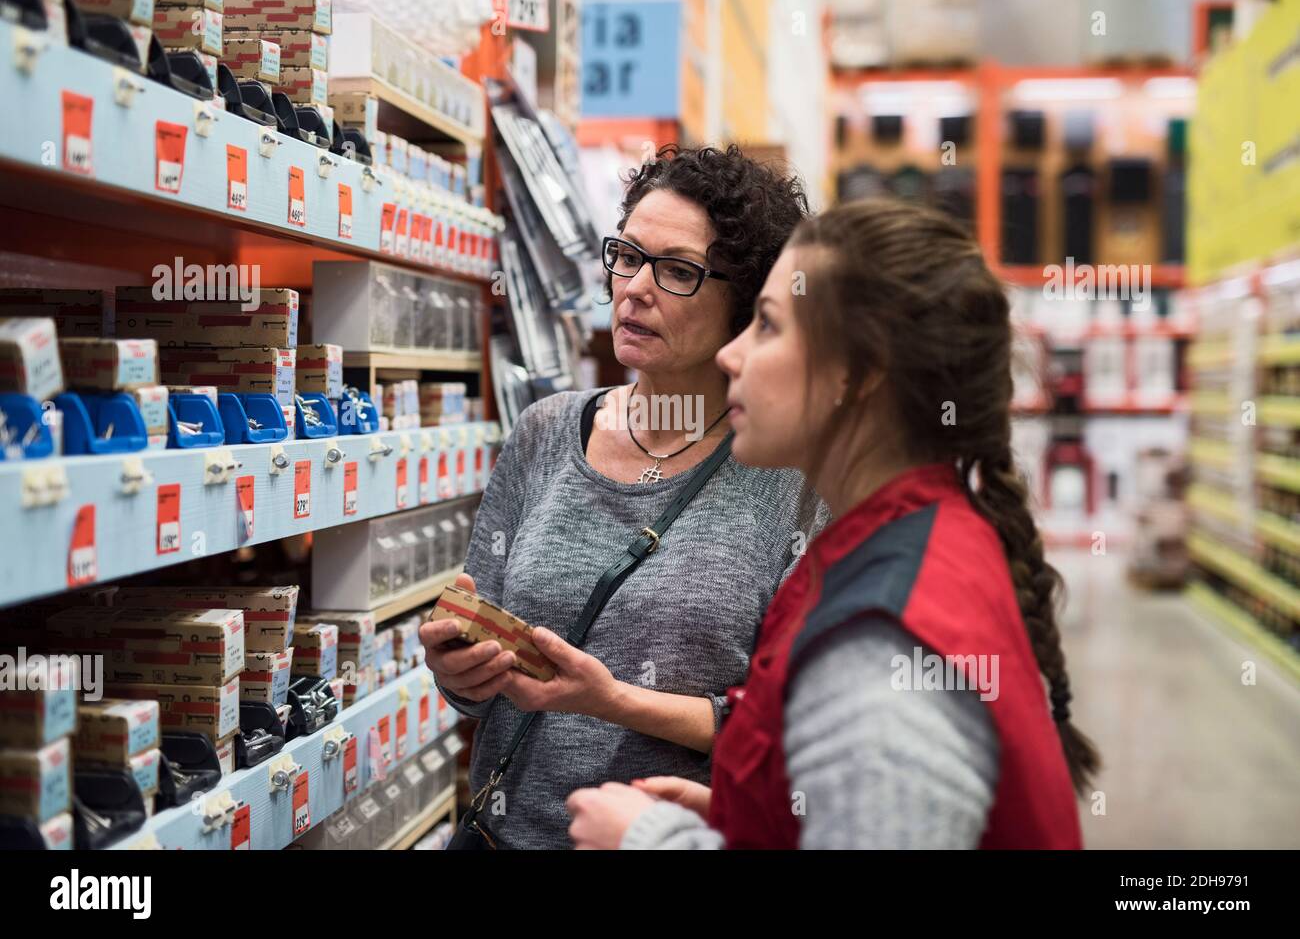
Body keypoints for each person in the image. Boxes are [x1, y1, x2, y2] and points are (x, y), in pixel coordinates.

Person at [565, 198, 1100, 849]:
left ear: (858, 373)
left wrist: (650, 839)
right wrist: (743, 814)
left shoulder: (883, 639)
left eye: (767, 325)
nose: (732, 356)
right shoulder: (895, 544)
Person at [419, 145, 826, 849]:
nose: (635, 287)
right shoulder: (545, 431)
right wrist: (459, 668)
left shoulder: (788, 478)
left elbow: (790, 723)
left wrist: (614, 701)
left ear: (746, 302)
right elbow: (474, 674)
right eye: (627, 255)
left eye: (676, 271)